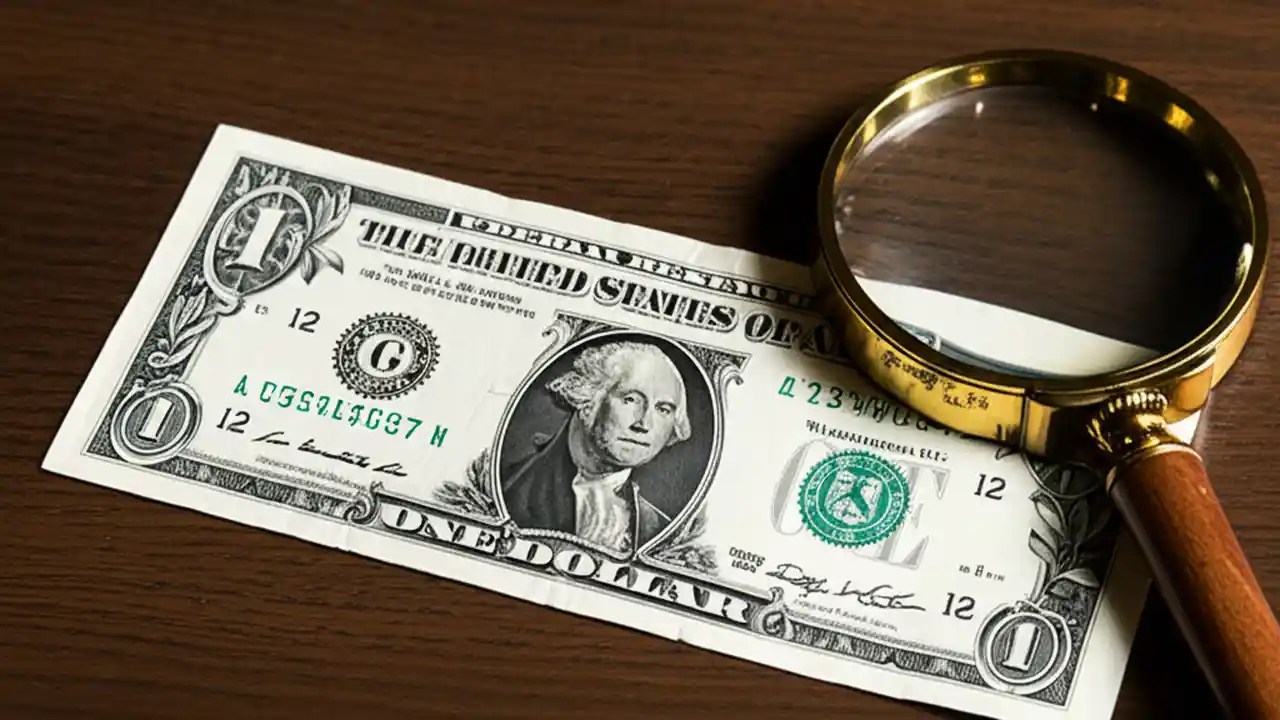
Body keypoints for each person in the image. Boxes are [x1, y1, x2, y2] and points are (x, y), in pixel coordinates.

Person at [502, 341, 692, 553]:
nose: (644, 424)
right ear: (587, 399)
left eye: (663, 409)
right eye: (630, 400)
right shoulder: (506, 487)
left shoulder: (660, 529)